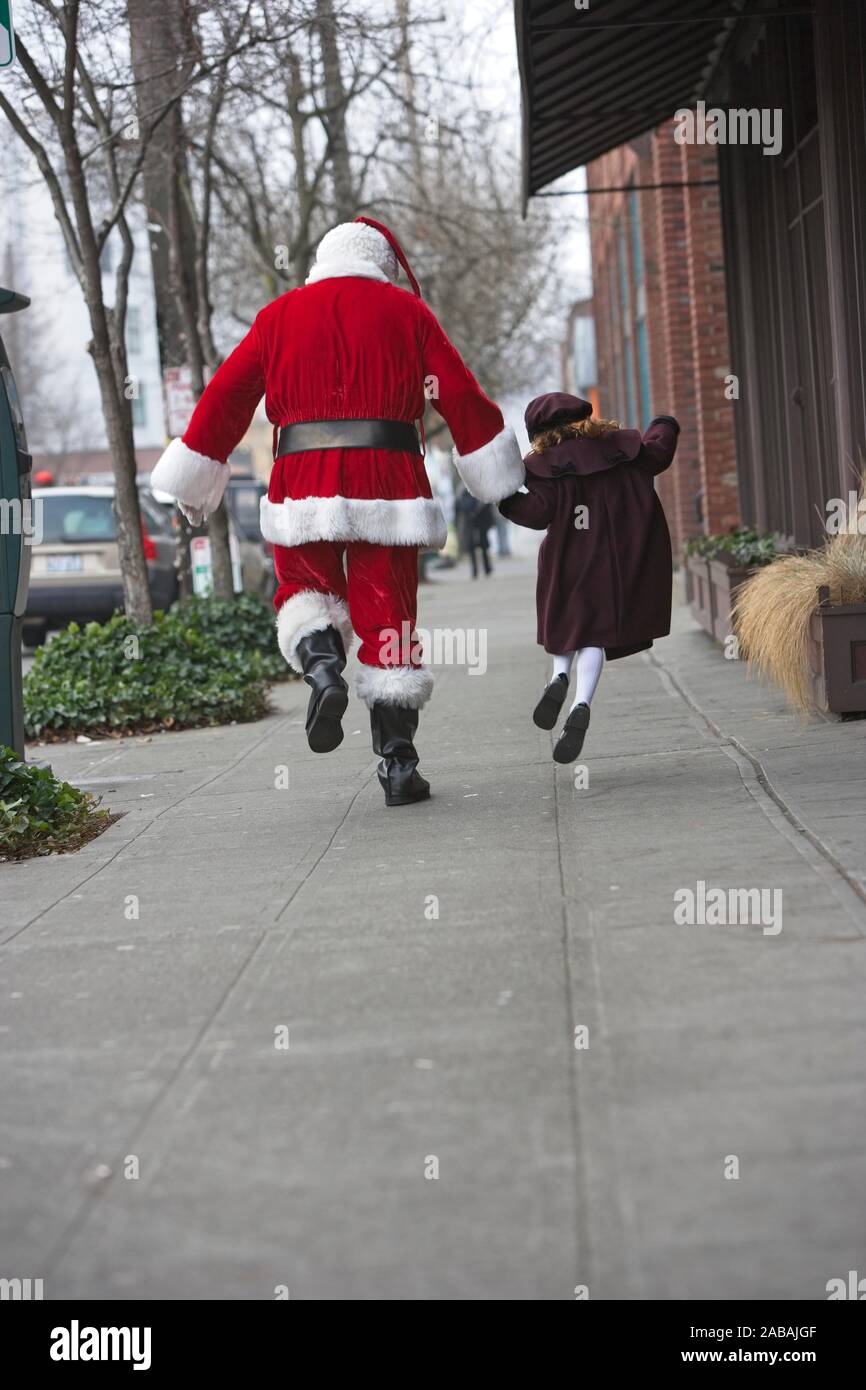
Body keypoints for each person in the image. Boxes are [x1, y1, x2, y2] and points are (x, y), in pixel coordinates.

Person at [150, 216, 524, 806]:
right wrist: (499, 477)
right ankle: (398, 767)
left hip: (303, 481)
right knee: (389, 619)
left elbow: (227, 393)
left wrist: (195, 473)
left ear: (320, 261)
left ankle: (323, 667)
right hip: (388, 483)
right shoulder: (408, 314)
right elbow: (457, 391)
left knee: (303, 590)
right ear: (382, 264)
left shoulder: (277, 317)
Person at [498, 392, 679, 763]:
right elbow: (658, 451)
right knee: (595, 633)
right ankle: (581, 702)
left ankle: (558, 677)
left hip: (569, 558)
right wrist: (665, 423)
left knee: (569, 623)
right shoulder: (620, 446)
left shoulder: (544, 464)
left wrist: (505, 500)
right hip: (615, 562)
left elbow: (536, 513)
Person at [455, 486, 493, 578]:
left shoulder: (461, 489)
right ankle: (487, 569)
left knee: (473, 547)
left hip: (469, 521)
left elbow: (457, 506)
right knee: (483, 546)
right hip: (480, 520)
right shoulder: (479, 485)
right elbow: (488, 503)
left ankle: (475, 571)